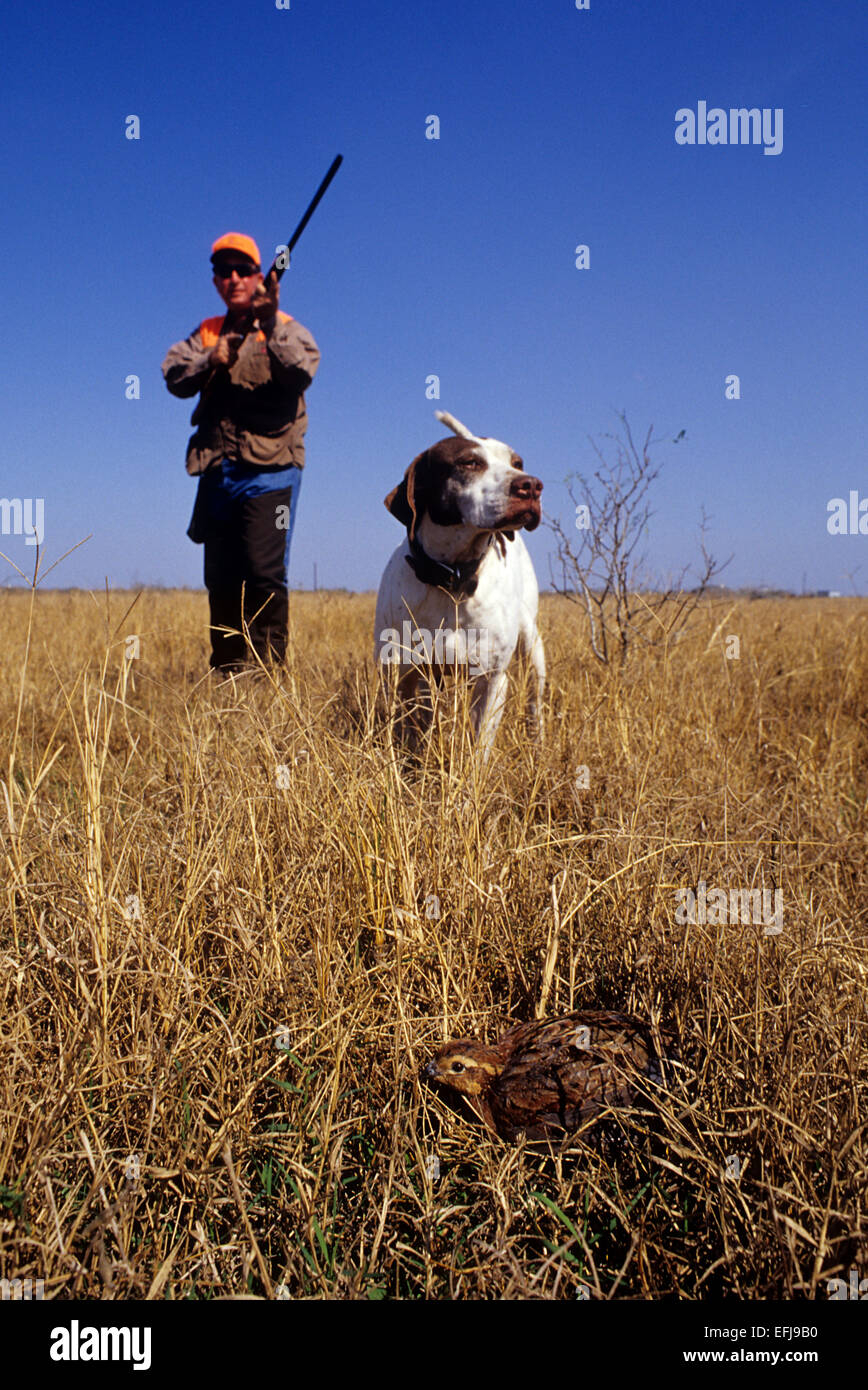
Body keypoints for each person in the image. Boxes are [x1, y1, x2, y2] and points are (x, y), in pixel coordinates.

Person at [162, 232, 320, 673]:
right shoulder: (209, 331)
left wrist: (268, 324)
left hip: (271, 470)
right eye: (222, 271)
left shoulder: (286, 326)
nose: (232, 278)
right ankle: (229, 674)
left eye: (242, 270)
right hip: (217, 472)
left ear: (258, 276)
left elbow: (302, 371)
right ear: (215, 281)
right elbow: (174, 374)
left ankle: (268, 675)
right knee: (222, 579)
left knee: (264, 573)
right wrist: (211, 360)